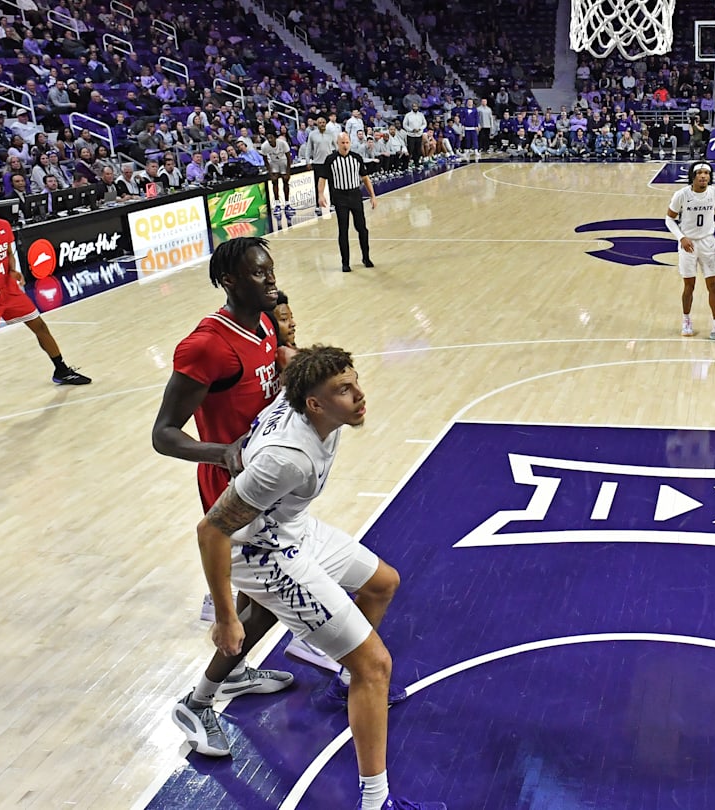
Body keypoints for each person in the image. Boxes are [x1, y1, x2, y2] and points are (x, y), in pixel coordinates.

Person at [196, 345, 436, 810]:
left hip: (292, 527)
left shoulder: (309, 400)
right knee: (376, 665)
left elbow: (294, 363)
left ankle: (344, 682)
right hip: (261, 551)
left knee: (382, 583)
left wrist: (290, 344)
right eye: (343, 390)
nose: (359, 395)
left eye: (355, 380)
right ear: (314, 403)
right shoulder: (287, 459)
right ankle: (375, 801)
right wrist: (227, 616)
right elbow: (211, 530)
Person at [152, 238, 337, 759]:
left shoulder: (262, 325)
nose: (272, 281)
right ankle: (198, 701)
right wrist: (223, 452)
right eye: (260, 274)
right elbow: (164, 433)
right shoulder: (206, 346)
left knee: (263, 601)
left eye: (272, 270)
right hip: (233, 495)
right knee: (269, 605)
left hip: (270, 484)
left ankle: (232, 676)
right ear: (231, 281)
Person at [0, 190, 90, 419]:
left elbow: (8, 252)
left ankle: (61, 370)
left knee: (40, 327)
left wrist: (12, 269)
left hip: (9, 290)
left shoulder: (1, 225)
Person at [666, 161, 715, 344]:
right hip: (688, 244)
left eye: (706, 173)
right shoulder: (682, 195)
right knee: (689, 285)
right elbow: (669, 219)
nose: (703, 176)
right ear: (693, 176)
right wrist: (681, 237)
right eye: (700, 173)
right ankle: (686, 320)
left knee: (713, 285)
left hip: (708, 243)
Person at [320, 132, 377, 273]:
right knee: (343, 230)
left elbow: (365, 178)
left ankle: (366, 257)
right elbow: (322, 178)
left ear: (350, 143)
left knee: (362, 228)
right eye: (342, 143)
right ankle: (345, 262)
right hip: (340, 197)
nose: (345, 145)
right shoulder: (331, 159)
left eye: (347, 142)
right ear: (337, 144)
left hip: (355, 195)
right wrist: (321, 195)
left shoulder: (356, 158)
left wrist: (373, 195)